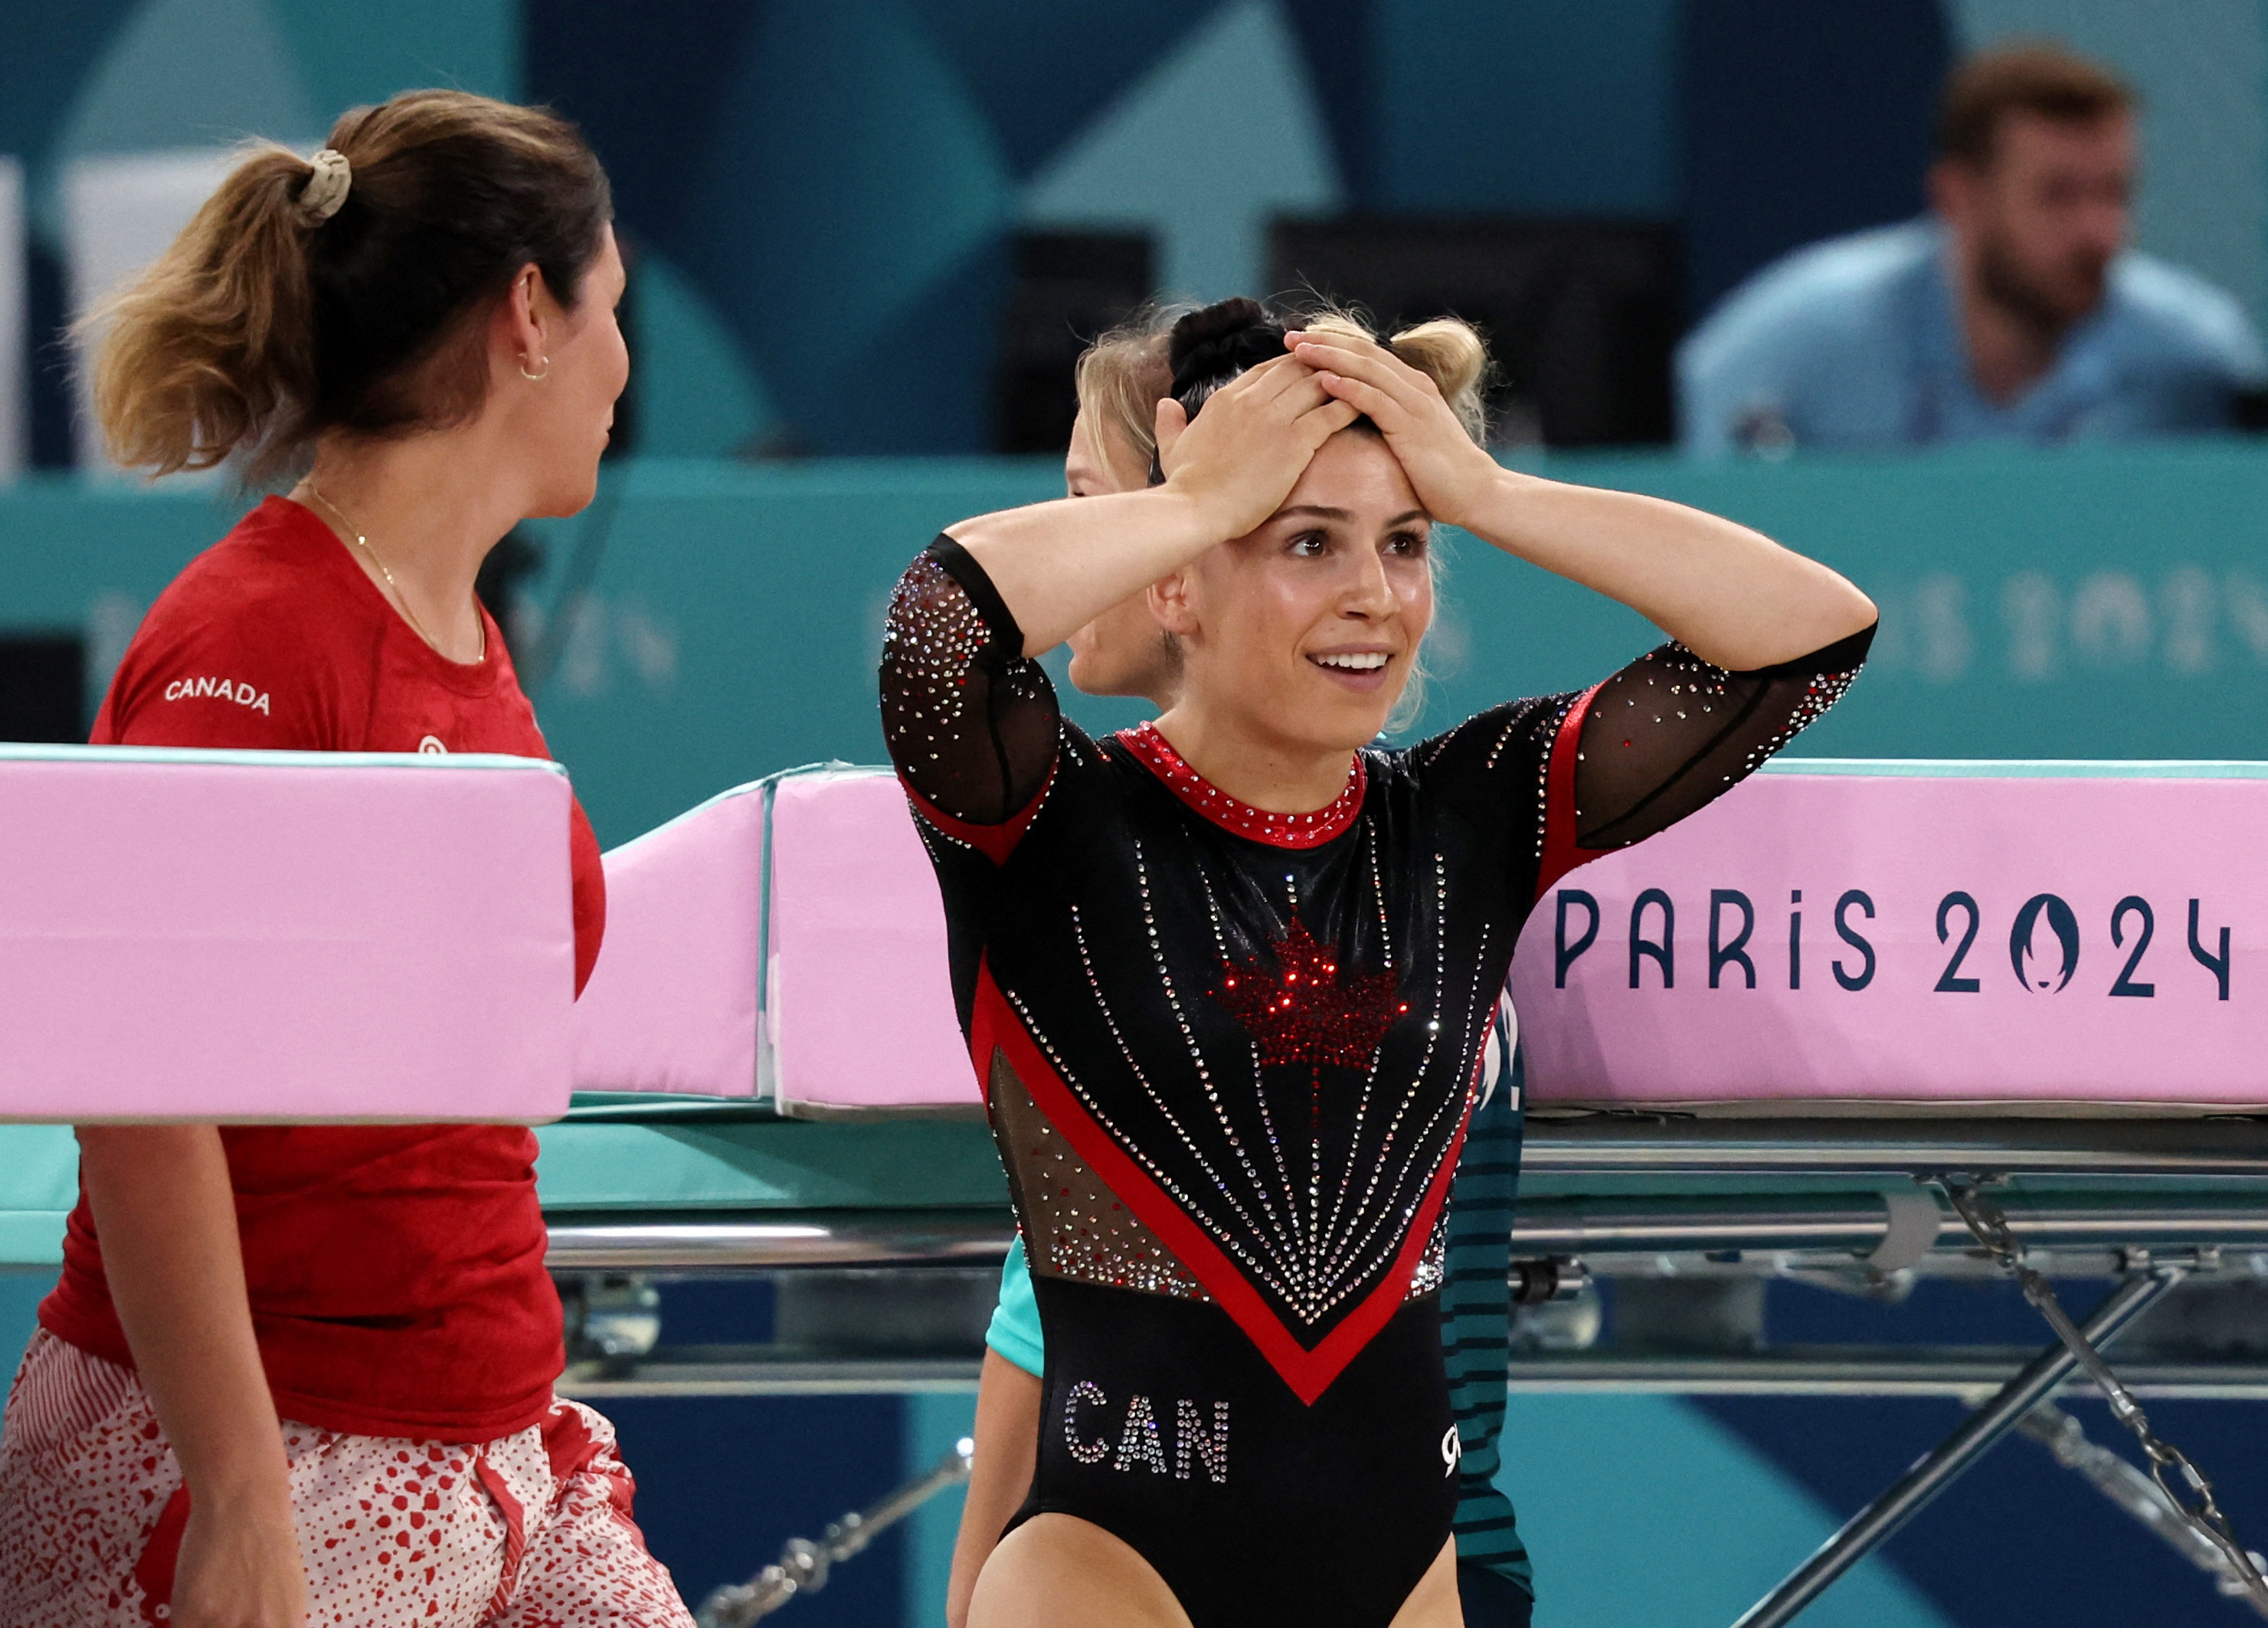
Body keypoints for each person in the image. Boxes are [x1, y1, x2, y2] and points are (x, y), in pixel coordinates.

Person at [882, 296, 1877, 1627]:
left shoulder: (1469, 818)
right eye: (1307, 541)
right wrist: (1194, 500)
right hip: (1111, 1572)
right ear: (1172, 581)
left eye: (1403, 546)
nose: (1375, 598)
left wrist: (1483, 488)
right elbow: (935, 638)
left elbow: (1808, 641)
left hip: (1405, 1574)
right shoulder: (1049, 825)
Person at [0, 93, 695, 1628]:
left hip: (498, 1444)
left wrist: (524, 1414)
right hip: (261, 1466)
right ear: (531, 313)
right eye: (616, 311)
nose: (626, 367)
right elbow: (136, 1087)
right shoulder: (252, 640)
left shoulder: (455, 625)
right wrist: (241, 1501)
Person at [944, 314, 1538, 1628]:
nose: (1082, 555)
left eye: (1098, 508)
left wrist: (1480, 491)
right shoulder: (1073, 864)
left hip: (1434, 1545)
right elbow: (1038, 1349)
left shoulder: (1440, 846)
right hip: (1141, 1545)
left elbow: (1808, 641)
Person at [1680, 41, 2268, 457]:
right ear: (1957, 196)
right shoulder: (1791, 343)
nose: (2096, 231)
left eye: (2113, 194)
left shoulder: (2201, 357)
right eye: (2057, 196)